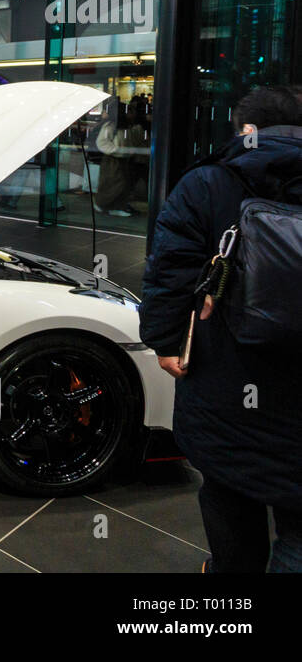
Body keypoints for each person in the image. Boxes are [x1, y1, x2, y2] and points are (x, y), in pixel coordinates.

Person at [141, 85, 302, 573]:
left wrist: (166, 343)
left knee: (231, 493)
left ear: (247, 130)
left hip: (228, 378)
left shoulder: (208, 182)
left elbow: (170, 271)